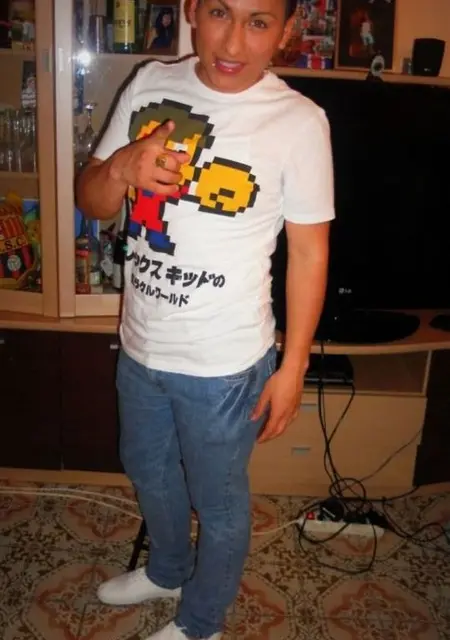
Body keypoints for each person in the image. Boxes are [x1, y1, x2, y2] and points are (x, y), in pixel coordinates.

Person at [76, 0, 335, 638]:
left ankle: (201, 623)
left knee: (217, 503)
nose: (233, 42)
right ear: (192, 8)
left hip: (225, 366)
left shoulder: (300, 122)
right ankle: (167, 570)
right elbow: (93, 199)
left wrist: (294, 367)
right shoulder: (150, 82)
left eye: (258, 22)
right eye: (220, 12)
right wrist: (122, 167)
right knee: (148, 470)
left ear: (286, 31)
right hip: (141, 345)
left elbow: (309, 253)